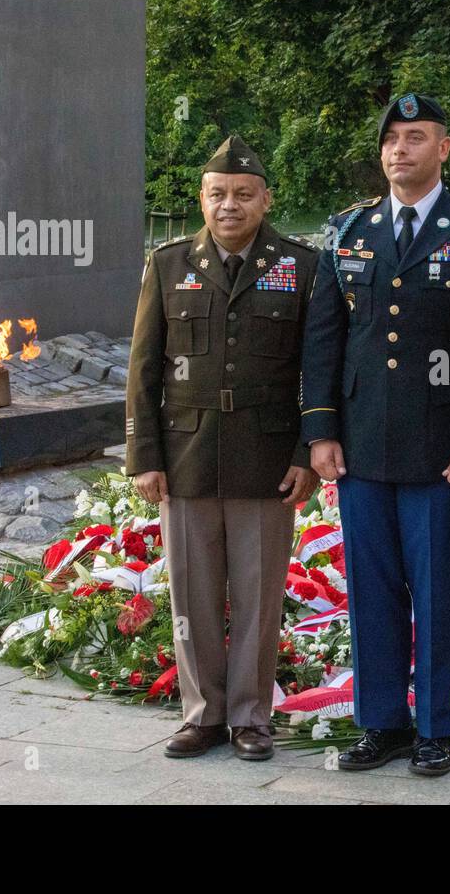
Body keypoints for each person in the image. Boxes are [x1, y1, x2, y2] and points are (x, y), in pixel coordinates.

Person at [301, 94, 450, 776]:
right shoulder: (348, 232)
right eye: (392, 139)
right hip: (362, 445)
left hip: (442, 451)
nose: (401, 149)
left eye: (417, 137)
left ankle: (435, 727)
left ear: (444, 149)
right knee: (370, 591)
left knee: (435, 590)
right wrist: (320, 433)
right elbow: (322, 343)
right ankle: (383, 725)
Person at [125, 135, 319, 761]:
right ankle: (202, 713)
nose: (229, 205)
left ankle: (251, 717)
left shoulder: (300, 267)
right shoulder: (168, 264)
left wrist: (304, 450)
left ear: (265, 199)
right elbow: (143, 371)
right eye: (217, 195)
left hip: (267, 458)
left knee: (260, 597)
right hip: (185, 455)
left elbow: (317, 371)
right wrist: (145, 456)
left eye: (242, 195)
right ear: (202, 201)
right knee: (193, 593)